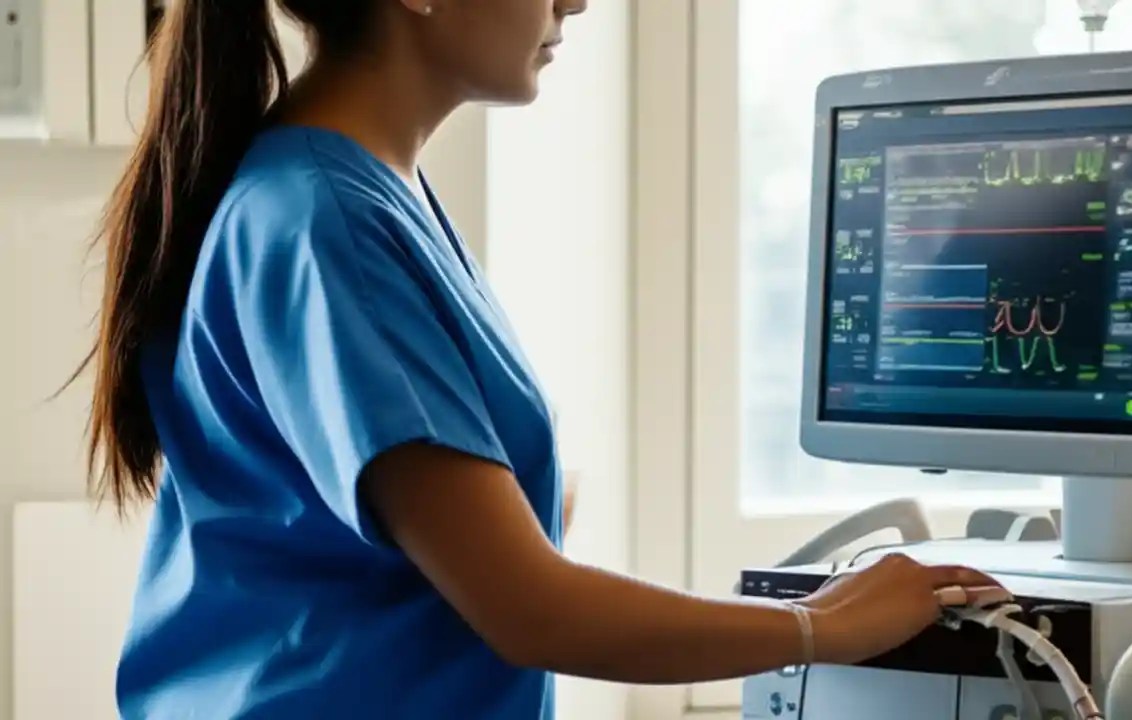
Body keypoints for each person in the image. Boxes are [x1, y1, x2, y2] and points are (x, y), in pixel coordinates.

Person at [77, 0, 1005, 717]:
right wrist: (822, 627)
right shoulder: (330, 218)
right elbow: (533, 612)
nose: (576, 3)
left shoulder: (351, 190)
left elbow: (386, 521)